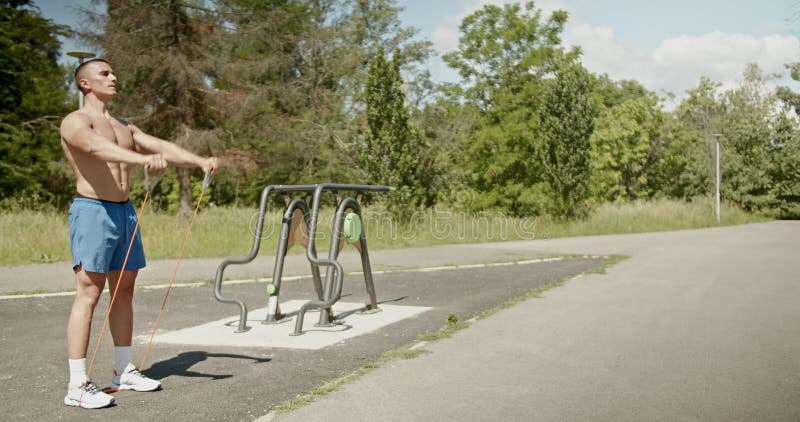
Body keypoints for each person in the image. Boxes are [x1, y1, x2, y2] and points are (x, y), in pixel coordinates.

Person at [59, 58, 219, 409]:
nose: (113, 77)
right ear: (85, 83)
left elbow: (160, 146)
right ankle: (77, 384)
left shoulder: (123, 125)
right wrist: (139, 160)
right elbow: (95, 149)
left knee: (124, 292)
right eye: (104, 73)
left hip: (125, 212)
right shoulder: (75, 121)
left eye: (114, 72)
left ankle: (122, 371)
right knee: (89, 293)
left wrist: (198, 161)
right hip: (93, 211)